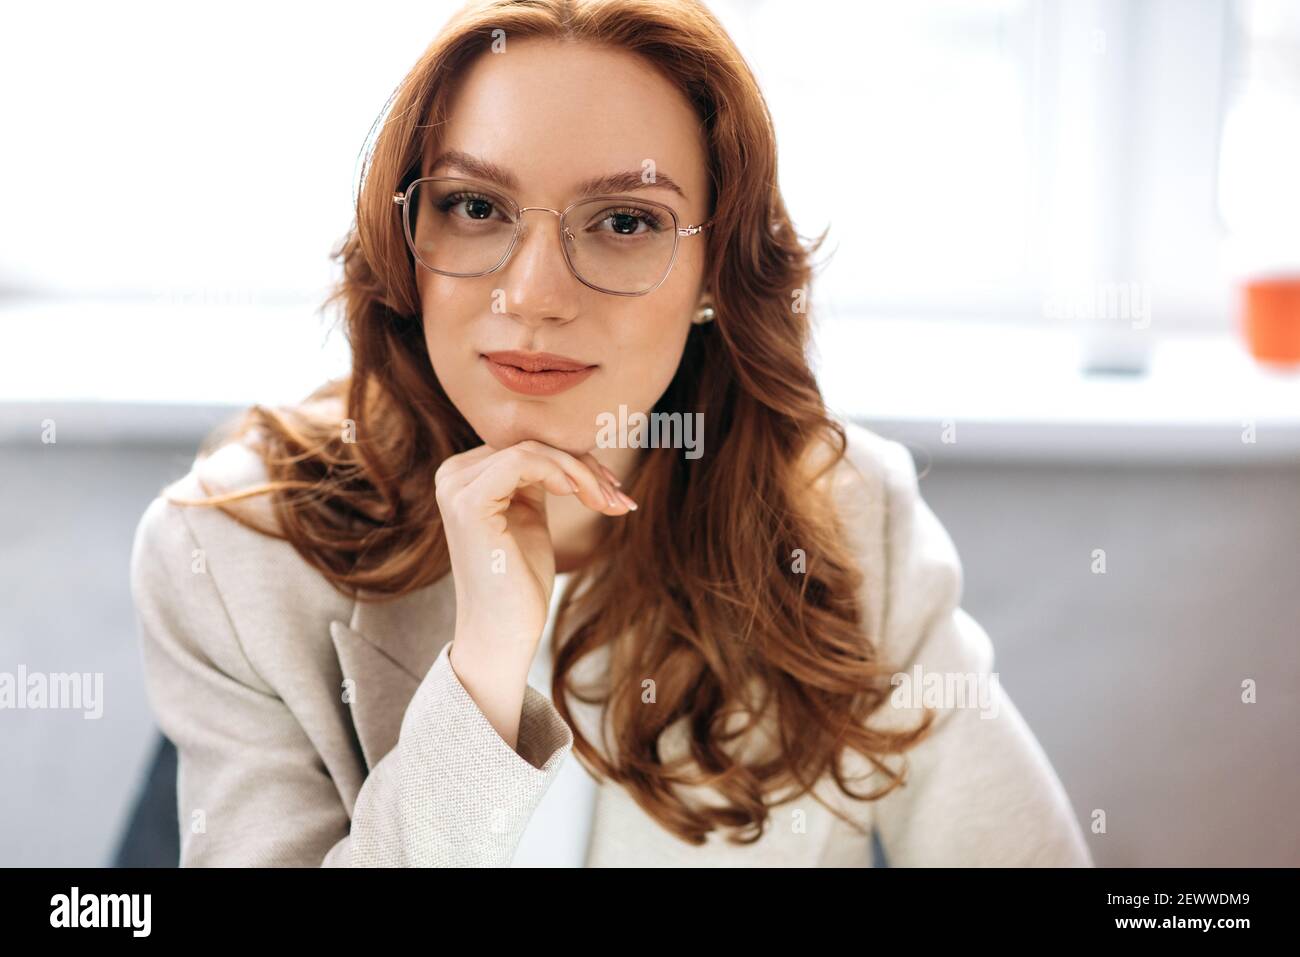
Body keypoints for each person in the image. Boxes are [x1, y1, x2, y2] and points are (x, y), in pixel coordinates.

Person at [129, 0, 1093, 867]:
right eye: (475, 207)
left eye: (626, 221)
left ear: (716, 272)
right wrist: (483, 671)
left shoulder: (846, 519)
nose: (533, 294)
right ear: (407, 237)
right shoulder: (227, 556)